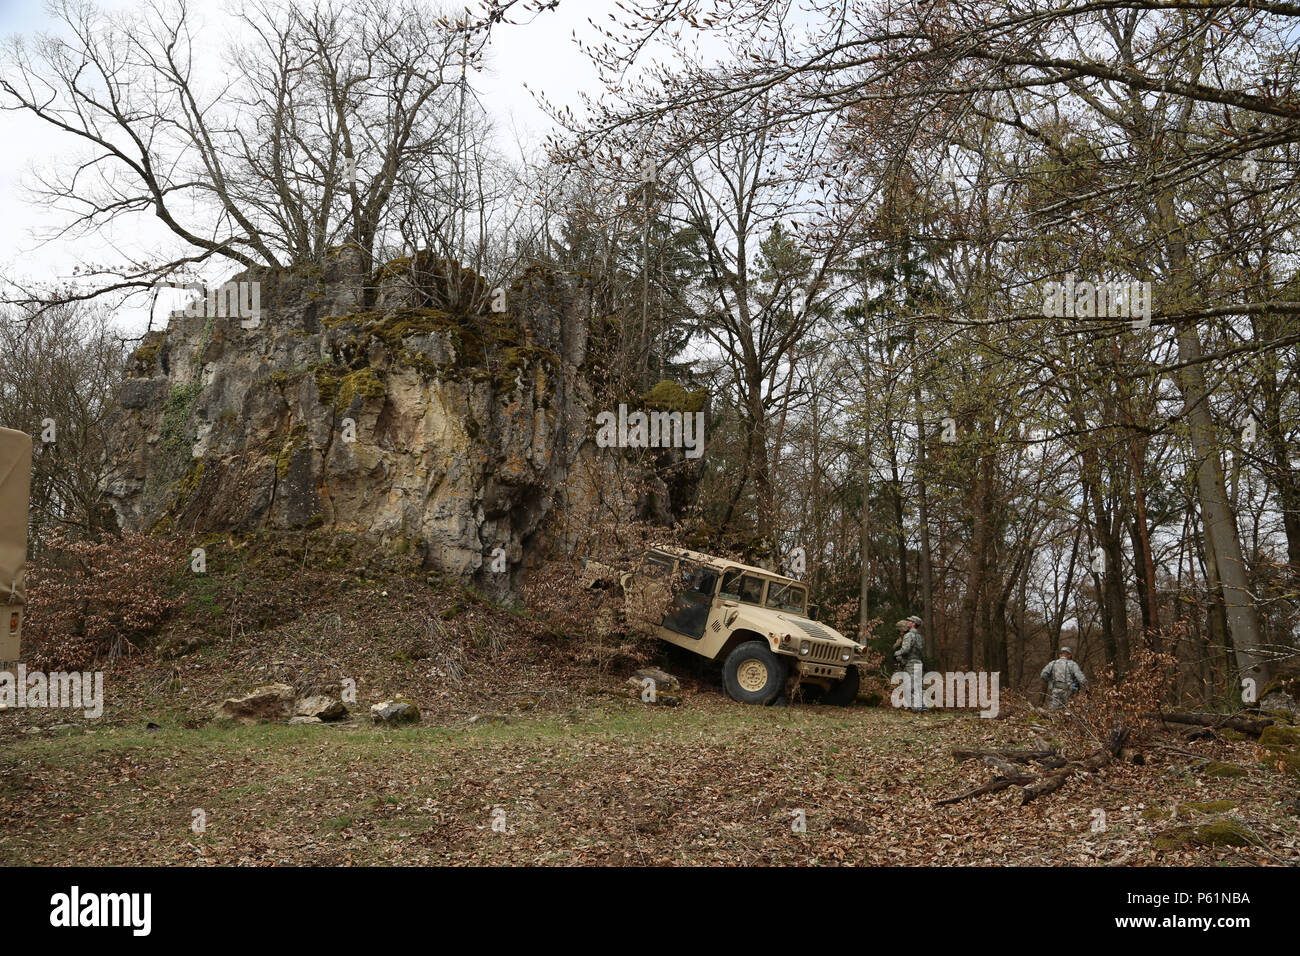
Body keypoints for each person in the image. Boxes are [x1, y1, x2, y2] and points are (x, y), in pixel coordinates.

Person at [1040, 647, 1088, 711]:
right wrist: (1087, 688)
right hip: (1068, 692)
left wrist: (1050, 681)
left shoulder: (1052, 663)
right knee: (1069, 712)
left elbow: (1043, 675)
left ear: (1060, 655)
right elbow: (1081, 679)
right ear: (1069, 655)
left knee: (1052, 712)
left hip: (1056, 691)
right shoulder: (1072, 664)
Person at [894, 616, 926, 712]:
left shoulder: (909, 635)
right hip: (919, 662)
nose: (907, 622)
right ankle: (923, 706)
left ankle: (916, 708)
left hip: (911, 663)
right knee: (918, 685)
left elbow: (906, 649)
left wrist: (896, 653)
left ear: (913, 624)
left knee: (911, 685)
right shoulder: (920, 637)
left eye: (909, 621)